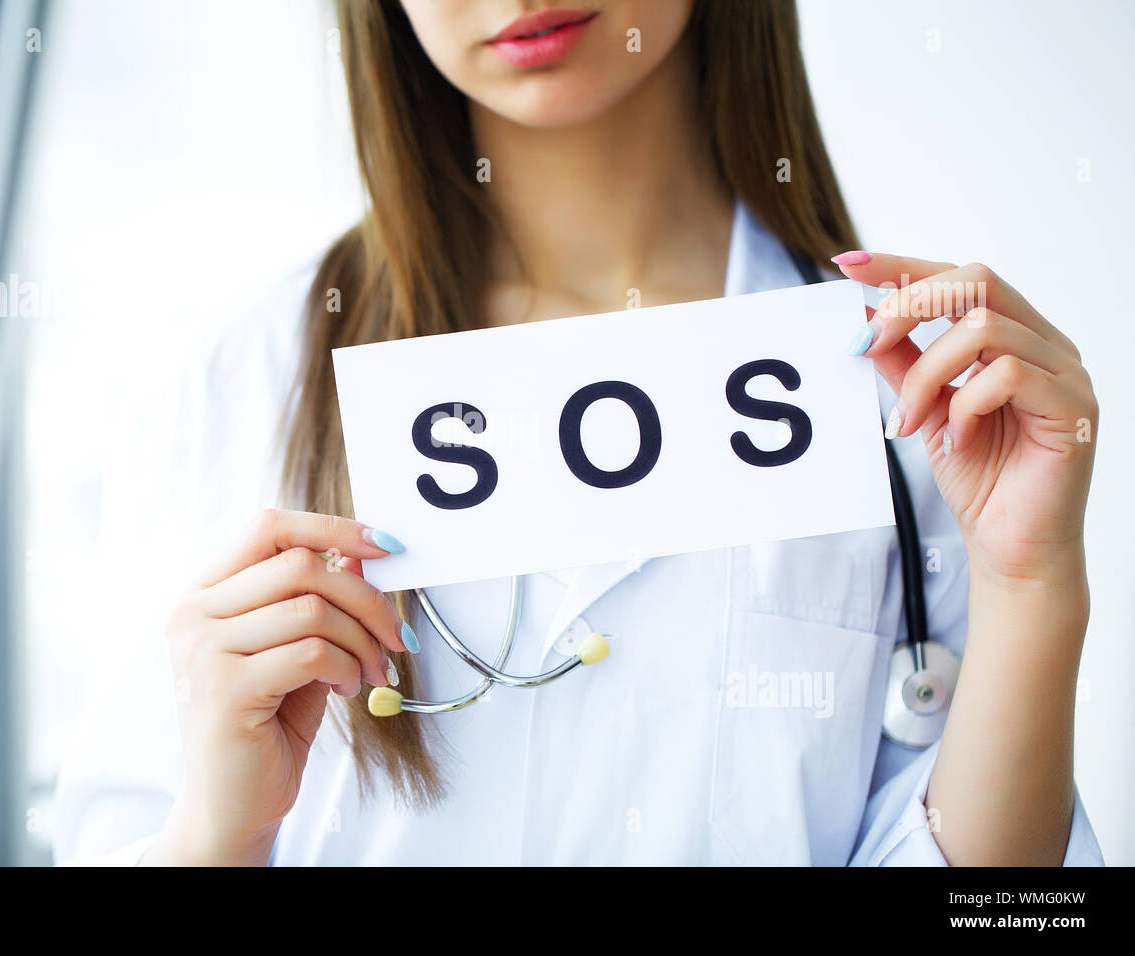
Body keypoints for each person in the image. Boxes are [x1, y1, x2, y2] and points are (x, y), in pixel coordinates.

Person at [55, 0, 1103, 865]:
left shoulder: (912, 394)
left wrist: (1032, 586)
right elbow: (115, 829)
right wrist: (213, 834)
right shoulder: (244, 371)